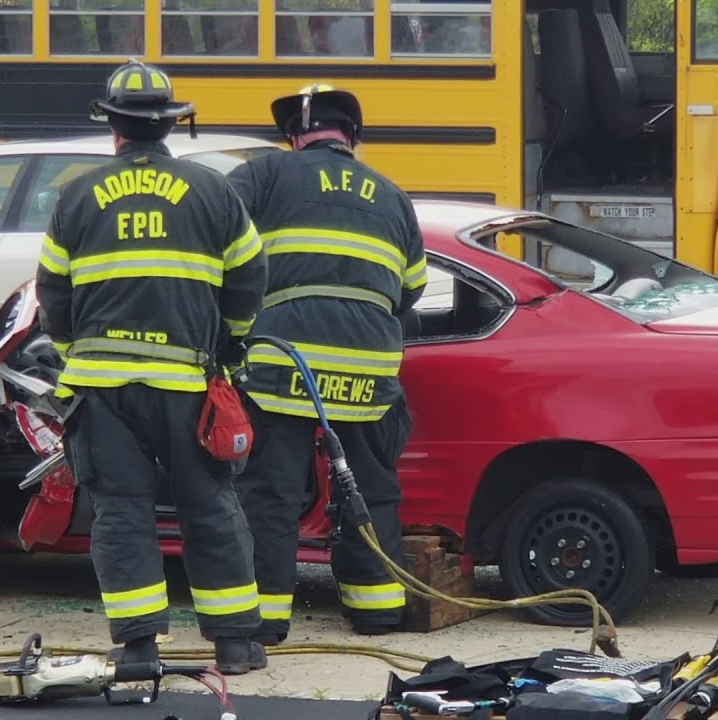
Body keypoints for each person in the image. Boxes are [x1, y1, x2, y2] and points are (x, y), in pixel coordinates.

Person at [34, 59, 270, 674]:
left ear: (112, 126)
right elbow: (249, 280)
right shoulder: (214, 190)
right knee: (210, 506)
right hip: (187, 386)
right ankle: (237, 643)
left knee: (122, 512)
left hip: (102, 391)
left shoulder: (76, 195)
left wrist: (73, 355)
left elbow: (52, 295)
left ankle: (138, 646)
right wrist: (230, 347)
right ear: (170, 126)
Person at [224, 83, 427, 645]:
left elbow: (214, 242)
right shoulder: (392, 195)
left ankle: (265, 619)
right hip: (367, 369)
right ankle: (377, 609)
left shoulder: (264, 176)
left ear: (294, 138)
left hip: (284, 365)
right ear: (351, 138)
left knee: (273, 492)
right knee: (369, 487)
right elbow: (411, 289)